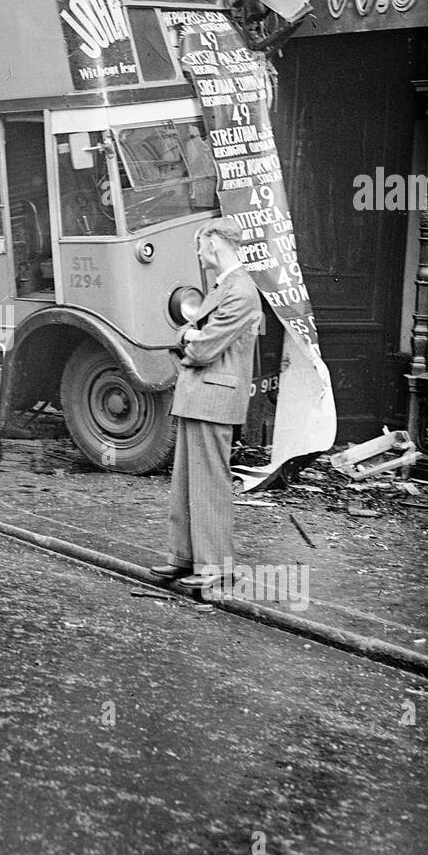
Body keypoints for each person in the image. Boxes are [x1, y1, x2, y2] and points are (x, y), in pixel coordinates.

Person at [151, 216, 263, 597]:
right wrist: (192, 335)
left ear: (214, 244)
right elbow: (194, 337)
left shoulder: (240, 291)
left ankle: (215, 568)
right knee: (186, 484)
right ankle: (185, 557)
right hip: (201, 397)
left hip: (213, 397)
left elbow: (203, 349)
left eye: (200, 246)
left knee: (210, 485)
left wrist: (189, 336)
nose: (199, 254)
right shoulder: (226, 287)